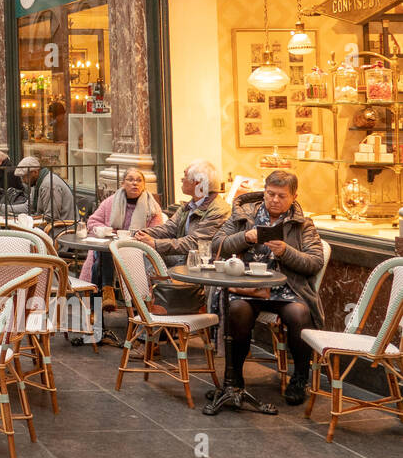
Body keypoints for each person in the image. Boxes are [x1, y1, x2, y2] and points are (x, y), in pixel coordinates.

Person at [211, 169, 325, 404]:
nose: (274, 199)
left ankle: (300, 378)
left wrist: (286, 252)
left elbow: (315, 262)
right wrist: (246, 237)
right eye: (270, 193)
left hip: (286, 290)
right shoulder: (243, 216)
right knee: (237, 311)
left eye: (281, 196)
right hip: (247, 288)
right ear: (264, 192)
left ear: (294, 196)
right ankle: (234, 380)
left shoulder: (302, 225)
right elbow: (217, 245)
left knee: (299, 313)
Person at [133, 158, 230, 315]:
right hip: (181, 257)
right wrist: (139, 234)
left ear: (198, 183)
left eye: (185, 176)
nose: (181, 179)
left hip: (198, 264)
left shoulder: (218, 210)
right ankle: (147, 309)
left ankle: (154, 311)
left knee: (145, 259)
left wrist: (155, 244)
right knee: (135, 255)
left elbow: (195, 243)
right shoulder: (190, 205)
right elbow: (168, 228)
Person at [79, 168, 165, 284]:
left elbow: (157, 231)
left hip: (137, 249)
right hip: (109, 246)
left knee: (105, 256)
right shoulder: (111, 201)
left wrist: (139, 236)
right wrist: (106, 230)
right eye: (130, 180)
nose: (135, 183)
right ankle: (104, 293)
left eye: (139, 180)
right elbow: (93, 221)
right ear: (123, 184)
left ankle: (106, 292)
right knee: (102, 254)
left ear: (144, 185)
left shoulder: (152, 206)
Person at [17, 156, 75, 221]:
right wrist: (4, 208)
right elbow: (28, 207)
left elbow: (51, 217)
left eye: (24, 177)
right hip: (47, 224)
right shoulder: (36, 184)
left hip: (62, 228)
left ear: (35, 172)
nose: (23, 181)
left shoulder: (49, 185)